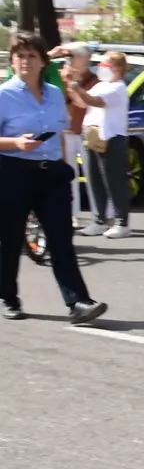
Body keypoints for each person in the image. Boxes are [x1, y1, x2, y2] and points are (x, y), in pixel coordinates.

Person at [0, 31, 106, 323]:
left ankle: (78, 303)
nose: (25, 61)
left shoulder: (54, 94)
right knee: (8, 240)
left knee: (61, 241)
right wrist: (15, 144)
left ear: (43, 62)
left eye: (32, 55)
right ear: (12, 61)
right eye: (20, 55)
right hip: (13, 173)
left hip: (51, 175)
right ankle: (8, 297)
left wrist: (60, 165)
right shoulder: (4, 95)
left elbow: (59, 133)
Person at [68, 50, 132, 239]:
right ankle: (99, 220)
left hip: (111, 138)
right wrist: (72, 85)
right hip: (92, 136)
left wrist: (75, 85)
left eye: (106, 65)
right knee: (94, 180)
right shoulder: (100, 85)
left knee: (114, 182)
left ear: (118, 68)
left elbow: (94, 102)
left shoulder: (118, 88)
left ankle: (122, 223)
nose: (101, 68)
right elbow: (82, 102)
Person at [50, 42, 98, 226]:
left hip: (86, 133)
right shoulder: (59, 75)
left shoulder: (93, 80)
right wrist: (53, 53)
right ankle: (73, 214)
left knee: (92, 176)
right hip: (65, 132)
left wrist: (71, 84)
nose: (69, 61)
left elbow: (83, 103)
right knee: (69, 177)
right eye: (68, 57)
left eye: (73, 57)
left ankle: (98, 214)